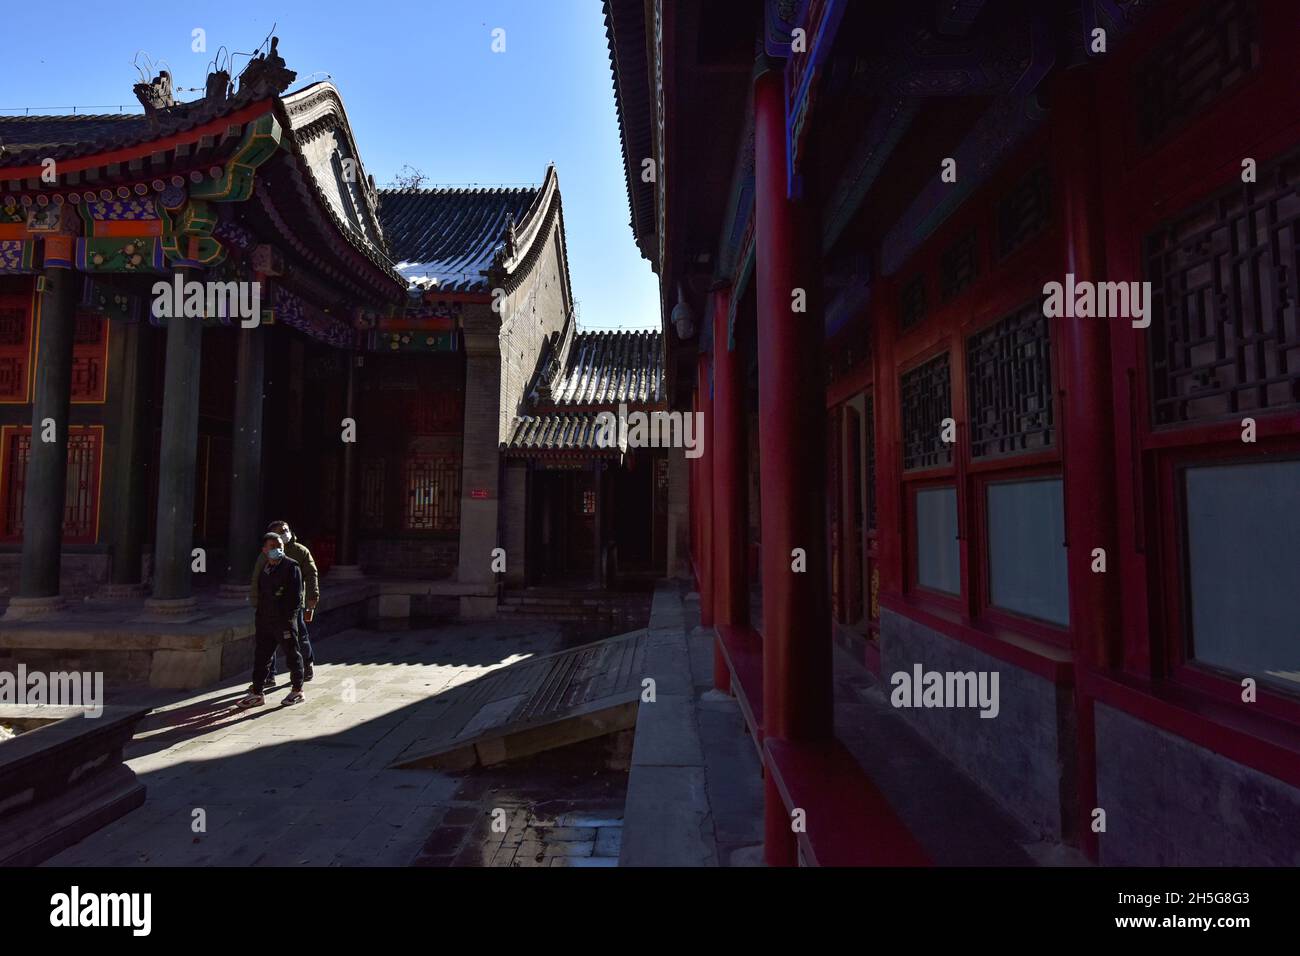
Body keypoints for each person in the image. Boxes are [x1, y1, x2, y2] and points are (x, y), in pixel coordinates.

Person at [250, 520, 320, 690]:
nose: (284, 533)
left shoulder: (299, 553)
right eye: (280, 531)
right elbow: (257, 579)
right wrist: (256, 601)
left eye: (286, 530)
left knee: (298, 639)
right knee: (267, 646)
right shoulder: (265, 557)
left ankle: (305, 668)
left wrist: (312, 598)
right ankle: (269, 676)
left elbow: (311, 575)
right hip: (268, 609)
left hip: (290, 609)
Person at [239, 532, 305, 707]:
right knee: (261, 657)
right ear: (265, 550)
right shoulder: (265, 569)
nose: (277, 550)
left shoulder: (292, 567)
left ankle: (297, 689)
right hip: (265, 621)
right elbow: (261, 595)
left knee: (292, 654)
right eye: (273, 547)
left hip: (284, 621)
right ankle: (257, 692)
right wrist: (260, 617)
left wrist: (287, 619)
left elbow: (295, 598)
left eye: (280, 547)